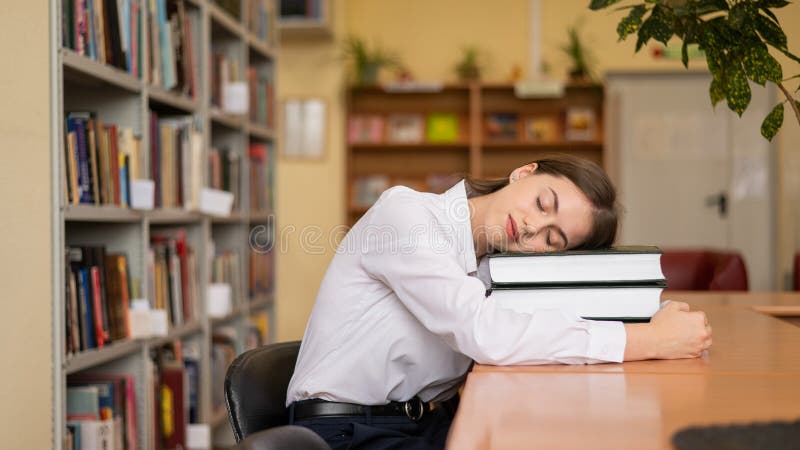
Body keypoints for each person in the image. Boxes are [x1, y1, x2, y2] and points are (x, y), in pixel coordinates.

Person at [286, 154, 712, 450]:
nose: (532, 227)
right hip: (342, 433)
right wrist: (647, 340)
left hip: (423, 423)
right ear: (523, 173)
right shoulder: (407, 216)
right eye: (544, 203)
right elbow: (484, 332)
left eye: (552, 238)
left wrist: (640, 315)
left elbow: (542, 323)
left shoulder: (495, 268)